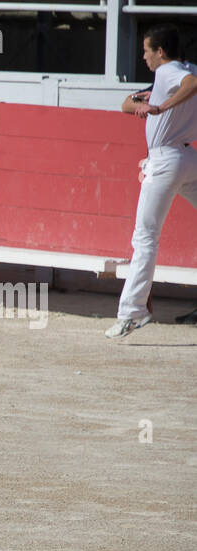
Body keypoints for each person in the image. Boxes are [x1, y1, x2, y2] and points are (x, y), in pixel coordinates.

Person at [107, 24, 197, 340]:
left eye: (147, 51)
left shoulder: (171, 72)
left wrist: (160, 107)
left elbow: (192, 84)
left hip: (165, 160)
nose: (144, 56)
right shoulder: (175, 73)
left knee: (145, 237)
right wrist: (144, 103)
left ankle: (132, 312)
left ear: (160, 52)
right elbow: (126, 104)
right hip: (188, 160)